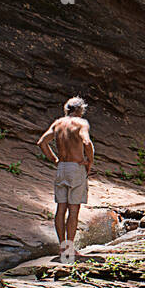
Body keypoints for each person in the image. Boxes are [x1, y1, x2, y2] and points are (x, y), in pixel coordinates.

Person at [36, 96, 95, 262]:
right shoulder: (81, 123)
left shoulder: (58, 123)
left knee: (60, 208)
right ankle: (71, 249)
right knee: (73, 209)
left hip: (62, 167)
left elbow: (42, 142)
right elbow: (87, 142)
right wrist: (89, 161)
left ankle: (63, 247)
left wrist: (55, 160)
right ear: (80, 110)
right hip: (76, 168)